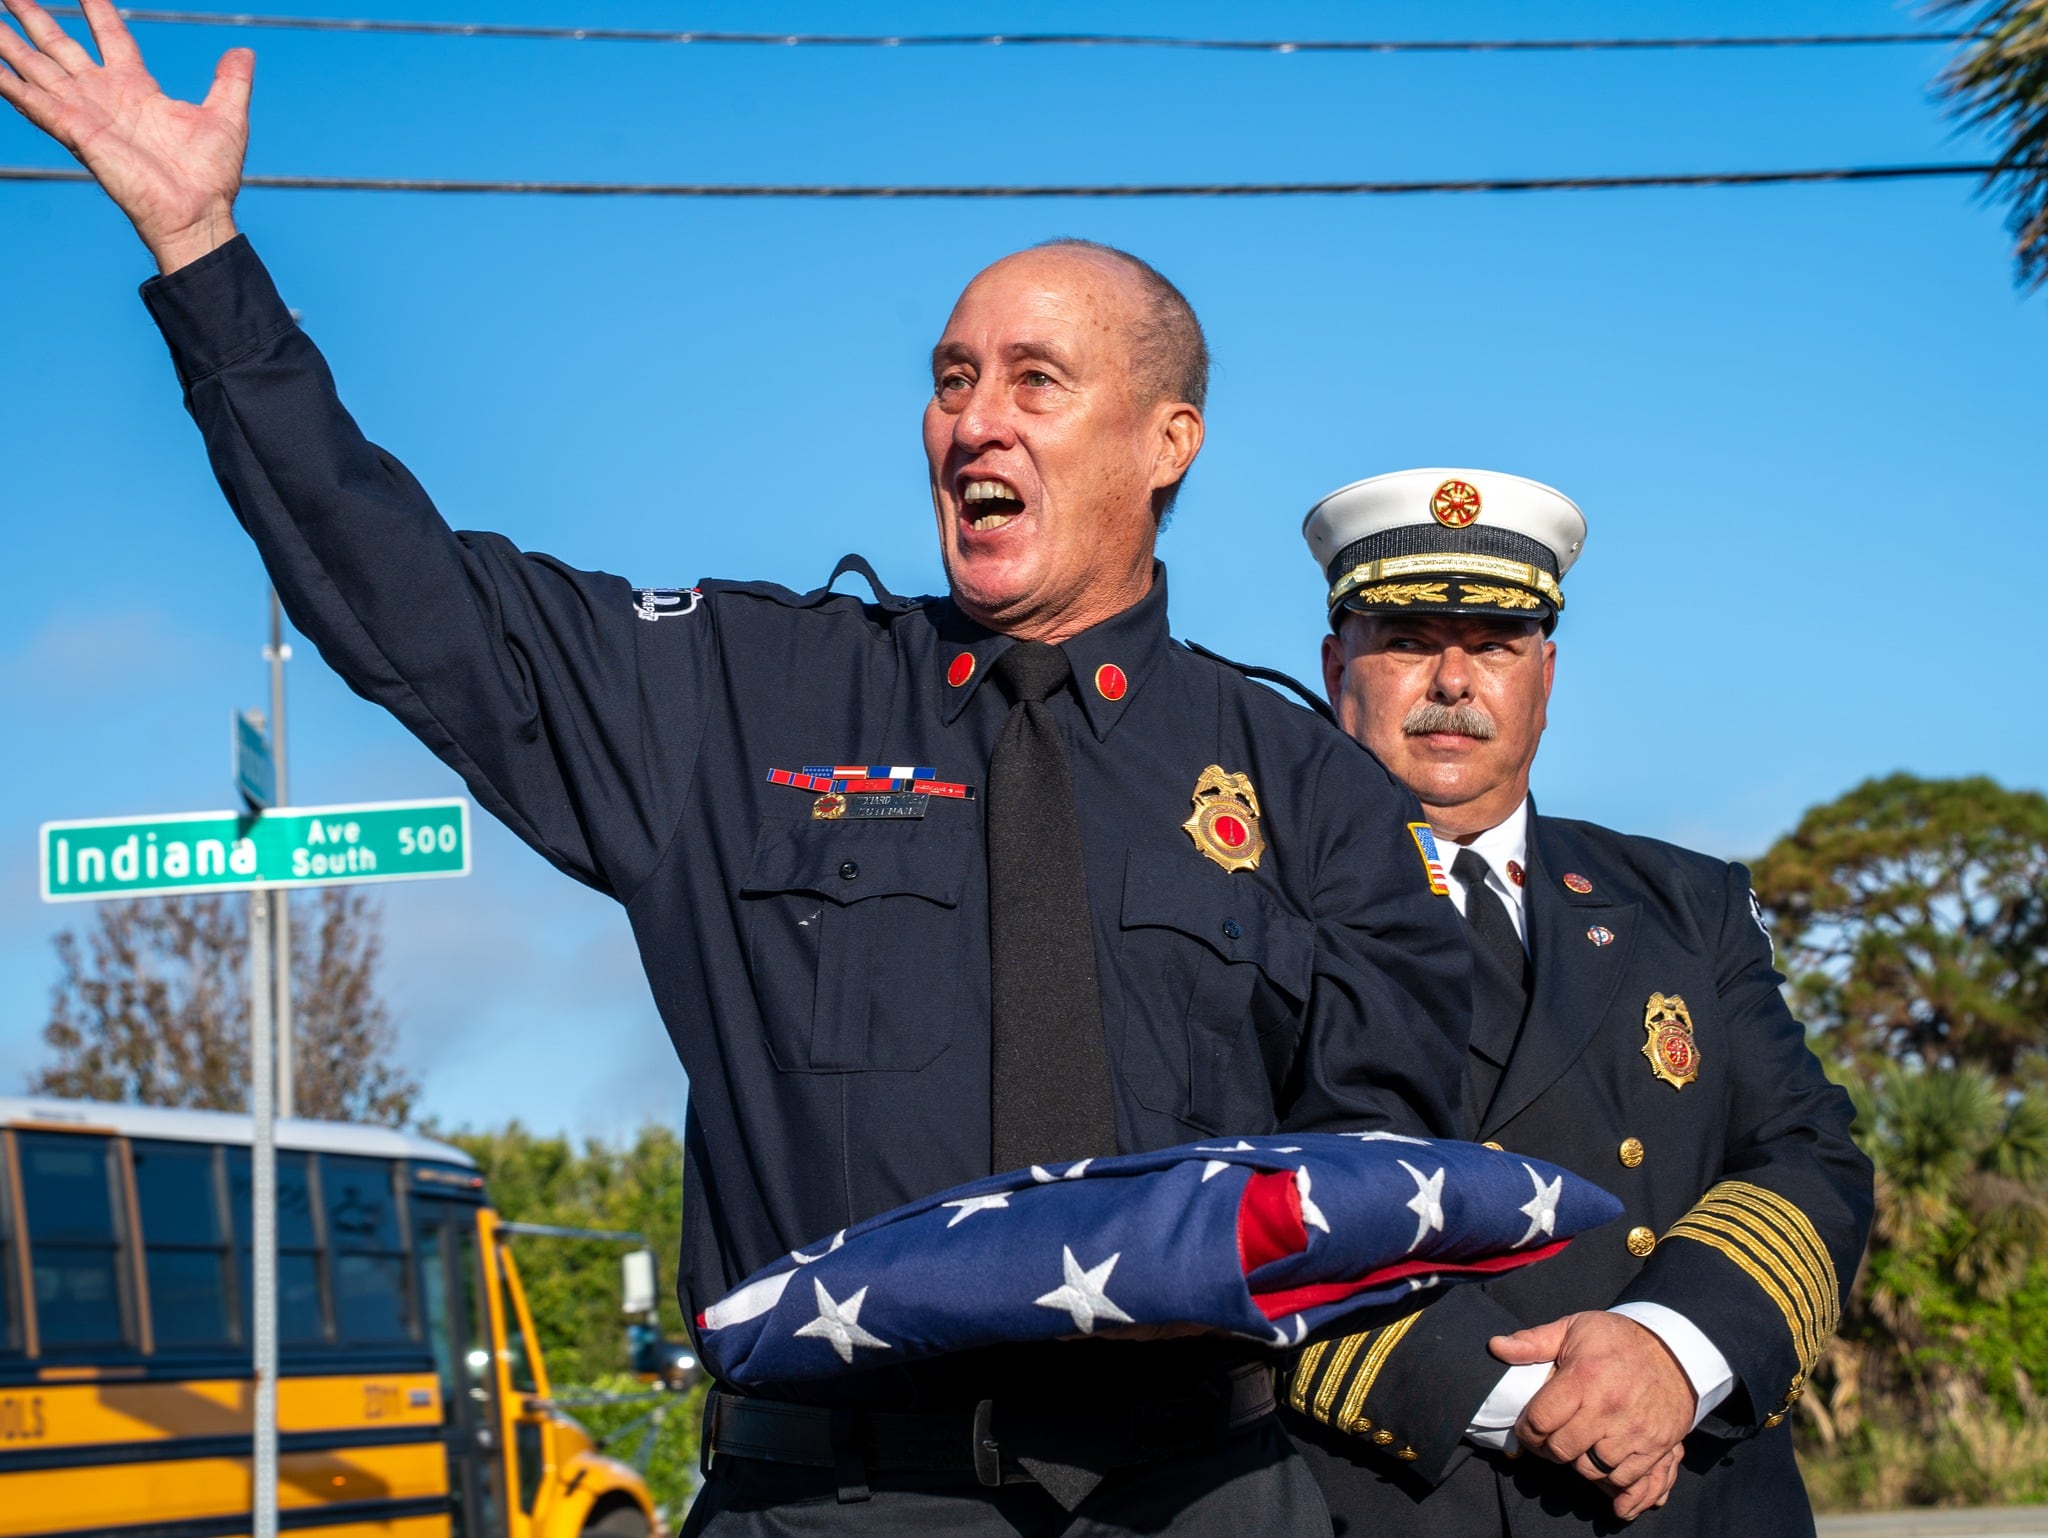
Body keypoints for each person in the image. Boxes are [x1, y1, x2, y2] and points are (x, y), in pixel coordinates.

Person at [0, 6, 1473, 1532]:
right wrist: (203, 254)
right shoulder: (747, 693)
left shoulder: (1301, 786)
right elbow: (416, 604)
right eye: (951, 375)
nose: (974, 417)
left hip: (1198, 1493)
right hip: (833, 1490)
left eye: (1036, 380)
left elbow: (1390, 1157)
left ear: (1168, 440)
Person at [1284, 466, 1874, 1533]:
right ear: (1338, 668)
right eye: (1409, 639)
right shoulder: (1249, 913)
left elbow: (1806, 1153)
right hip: (1399, 1490)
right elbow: (1228, 1210)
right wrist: (1534, 1399)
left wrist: (1667, 1353)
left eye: (1496, 643)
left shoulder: (1684, 902)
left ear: (1544, 676)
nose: (1453, 680)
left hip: (1688, 1485)